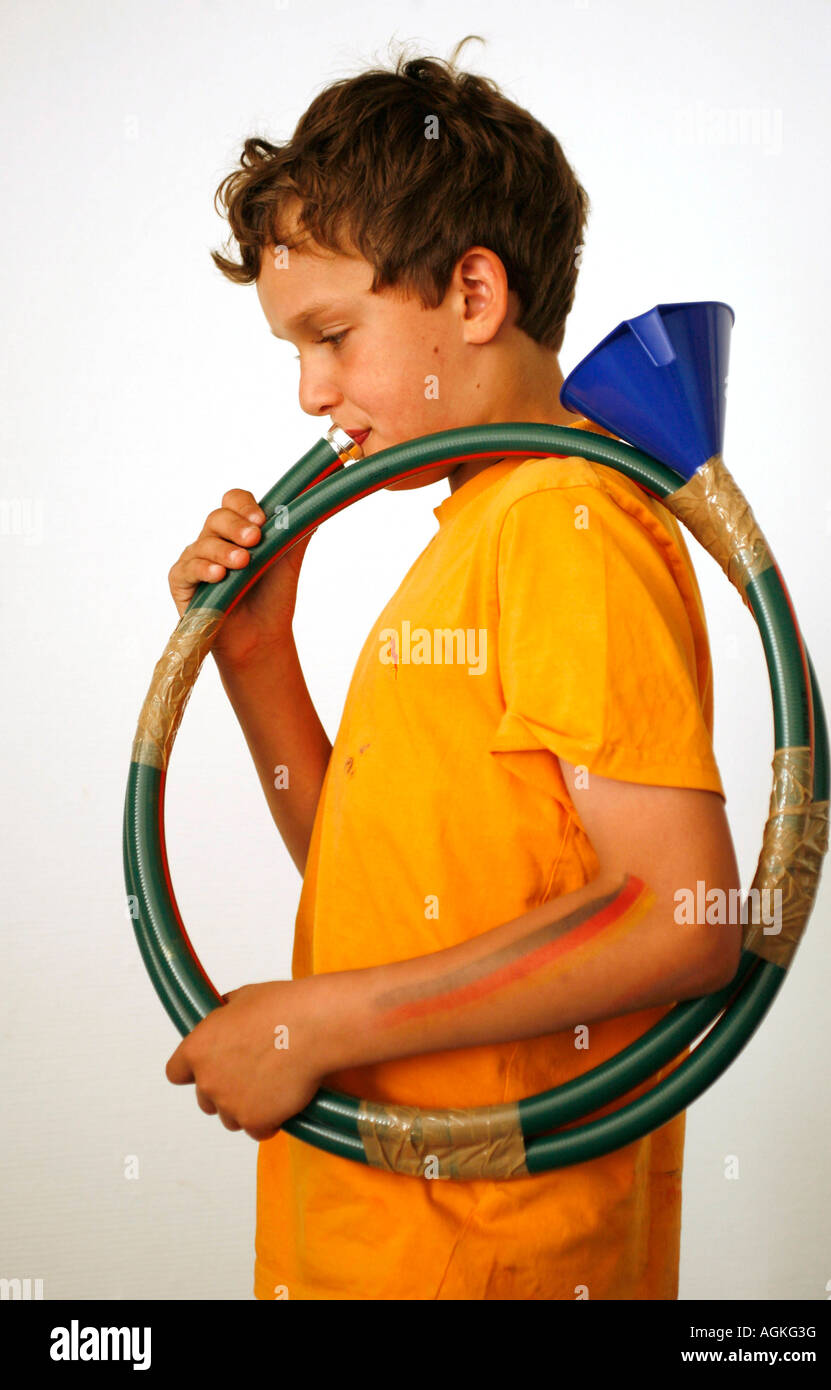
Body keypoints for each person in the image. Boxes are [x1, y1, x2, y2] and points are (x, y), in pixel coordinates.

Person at [164, 39, 742, 1300]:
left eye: (332, 333)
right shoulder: (474, 535)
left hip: (491, 1257)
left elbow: (679, 915)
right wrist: (259, 661)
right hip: (377, 1242)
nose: (312, 391)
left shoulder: (559, 522)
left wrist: (315, 1023)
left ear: (472, 296)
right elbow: (386, 884)